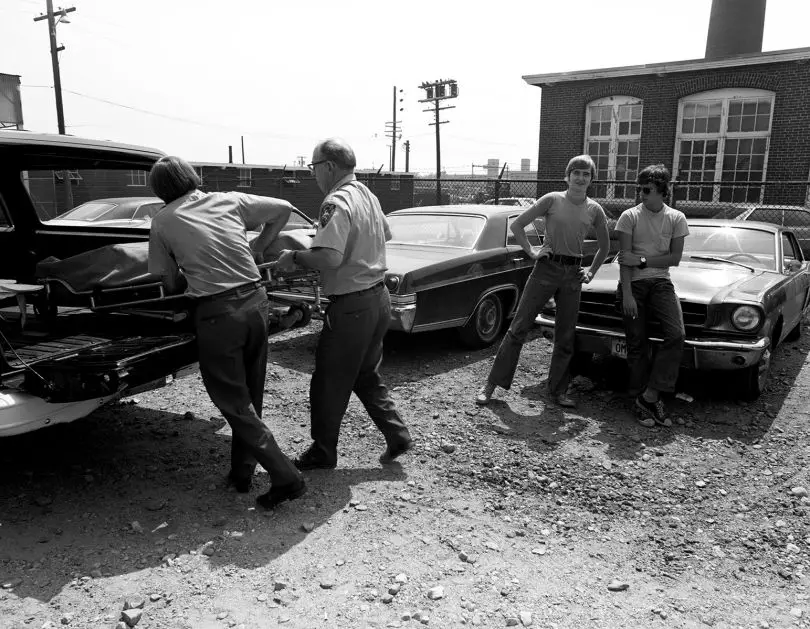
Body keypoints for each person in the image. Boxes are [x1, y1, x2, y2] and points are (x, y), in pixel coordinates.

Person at [147, 155, 306, 509]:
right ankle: (242, 473)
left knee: (233, 401)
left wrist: (183, 272)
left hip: (219, 314)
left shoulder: (162, 222)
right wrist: (259, 246)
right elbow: (284, 208)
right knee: (251, 392)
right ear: (191, 177)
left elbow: (168, 281)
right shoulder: (228, 199)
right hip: (256, 301)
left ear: (159, 190)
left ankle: (285, 476)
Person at [276, 137, 413, 470]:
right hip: (377, 298)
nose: (313, 175)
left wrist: (293, 256)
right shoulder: (366, 194)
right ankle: (397, 434)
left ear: (330, 166)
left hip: (352, 305)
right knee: (364, 374)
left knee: (328, 380)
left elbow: (331, 259)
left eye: (313, 167)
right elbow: (386, 235)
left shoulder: (334, 202)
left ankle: (323, 452)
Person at [475, 155, 611, 408]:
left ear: (591, 179)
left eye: (586, 174)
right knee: (519, 328)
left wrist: (591, 272)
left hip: (572, 275)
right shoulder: (552, 199)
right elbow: (517, 225)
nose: (580, 178)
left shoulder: (595, 209)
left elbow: (605, 246)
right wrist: (533, 252)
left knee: (565, 335)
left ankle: (557, 390)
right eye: (576, 173)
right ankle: (491, 385)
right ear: (567, 176)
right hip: (545, 270)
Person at [615, 164, 689, 427]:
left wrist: (643, 259)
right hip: (632, 285)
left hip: (660, 282)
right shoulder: (629, 216)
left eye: (647, 189)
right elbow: (625, 260)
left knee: (676, 334)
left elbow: (675, 258)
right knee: (637, 343)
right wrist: (626, 294)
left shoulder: (676, 218)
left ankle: (650, 394)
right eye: (640, 188)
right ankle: (640, 401)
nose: (641, 194)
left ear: (661, 191)